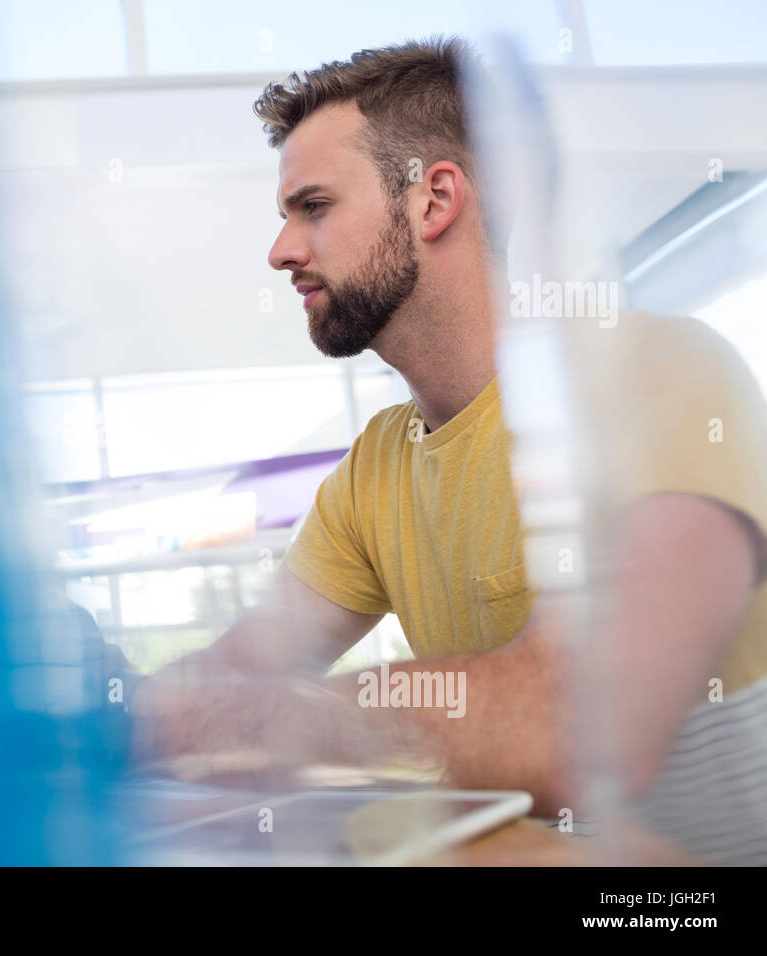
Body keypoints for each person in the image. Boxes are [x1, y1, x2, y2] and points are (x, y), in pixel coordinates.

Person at [130, 37, 767, 865]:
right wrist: (98, 720)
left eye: (313, 207)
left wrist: (257, 720)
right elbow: (233, 671)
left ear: (434, 200)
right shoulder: (375, 471)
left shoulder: (660, 373)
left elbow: (575, 731)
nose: (281, 250)